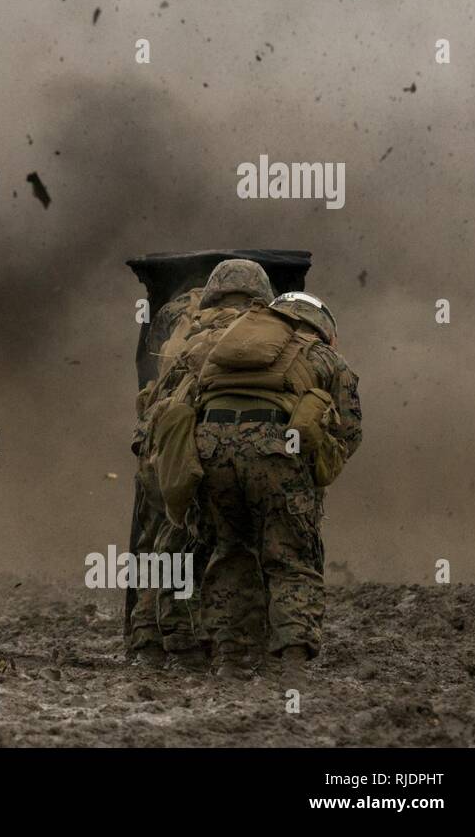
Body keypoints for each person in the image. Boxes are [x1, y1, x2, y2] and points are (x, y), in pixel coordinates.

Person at [192, 290, 362, 678]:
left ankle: (229, 659)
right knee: (289, 556)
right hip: (276, 449)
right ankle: (291, 663)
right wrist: (315, 469)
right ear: (321, 324)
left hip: (210, 450)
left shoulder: (225, 344)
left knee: (230, 548)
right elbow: (351, 432)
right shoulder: (323, 356)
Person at [127, 259, 275, 668]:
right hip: (228, 448)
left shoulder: (180, 324)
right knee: (236, 543)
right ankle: (228, 644)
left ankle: (153, 641)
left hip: (170, 445)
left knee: (162, 541)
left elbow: (154, 388)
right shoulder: (267, 331)